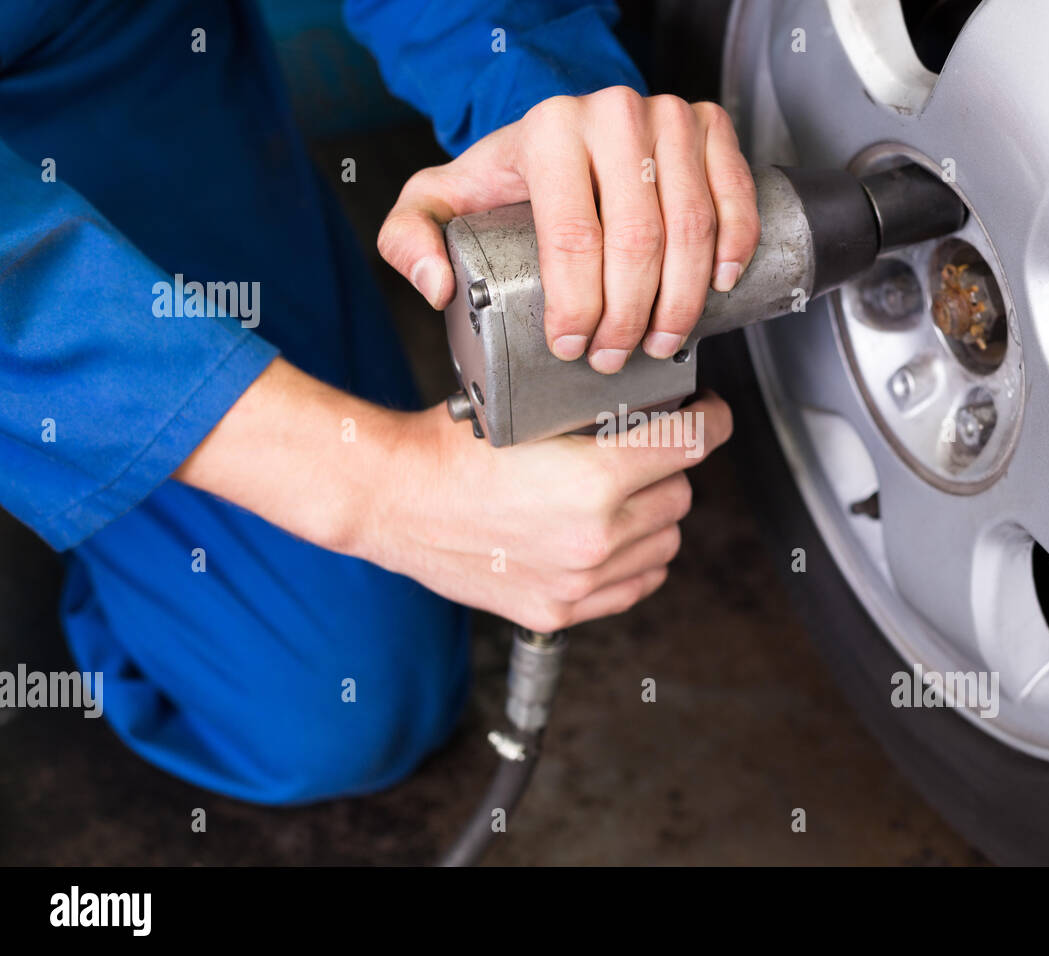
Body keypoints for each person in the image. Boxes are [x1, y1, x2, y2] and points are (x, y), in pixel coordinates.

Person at [0, 1, 759, 803]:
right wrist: (379, 490)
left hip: (83, 50)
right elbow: (375, 488)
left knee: (337, 706)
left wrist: (544, 111)